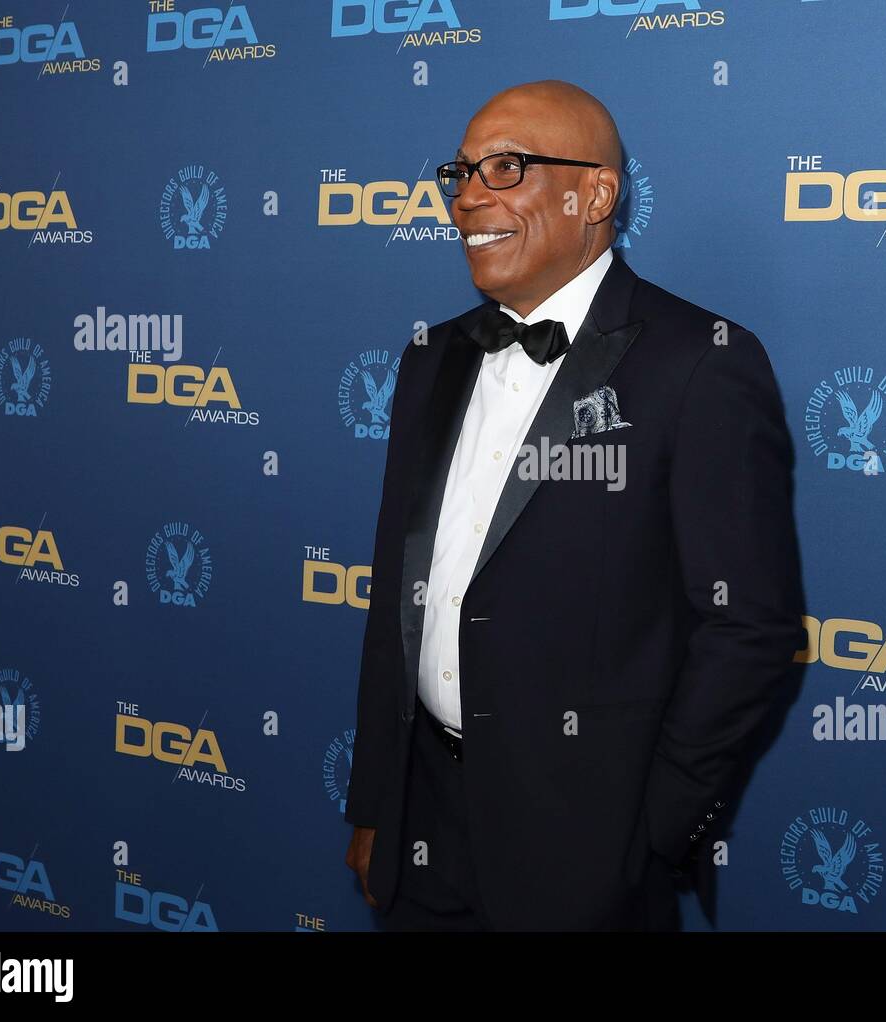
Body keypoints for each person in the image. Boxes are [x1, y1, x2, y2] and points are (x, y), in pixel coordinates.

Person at [343, 79, 805, 931]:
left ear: (595, 193)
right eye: (461, 171)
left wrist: (650, 831)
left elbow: (751, 629)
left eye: (506, 168)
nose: (467, 197)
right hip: (423, 833)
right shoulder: (431, 358)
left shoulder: (700, 363)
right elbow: (395, 599)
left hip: (589, 857)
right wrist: (376, 801)